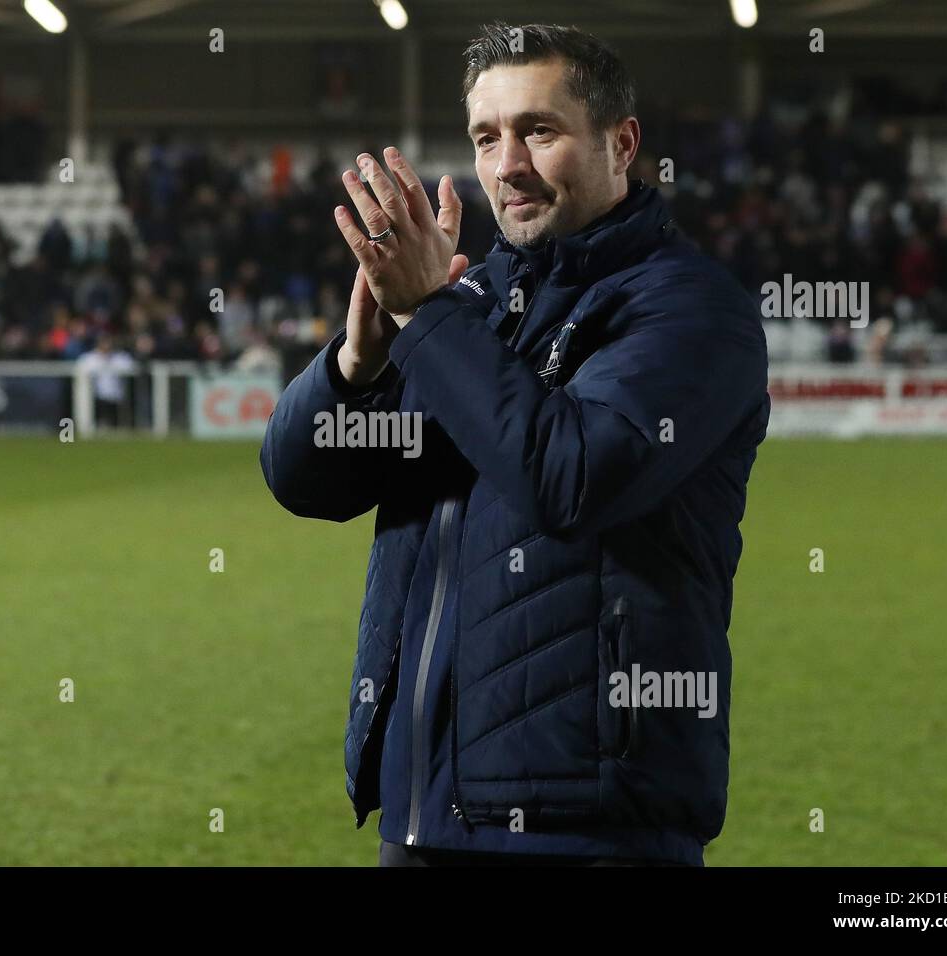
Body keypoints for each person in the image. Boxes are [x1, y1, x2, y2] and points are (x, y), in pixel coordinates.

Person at [261, 22, 770, 866]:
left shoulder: (690, 311)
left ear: (623, 141)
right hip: (423, 814)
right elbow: (304, 481)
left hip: (588, 823)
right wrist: (353, 367)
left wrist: (428, 317)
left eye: (540, 130)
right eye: (486, 138)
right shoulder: (471, 303)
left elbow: (570, 479)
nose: (508, 166)